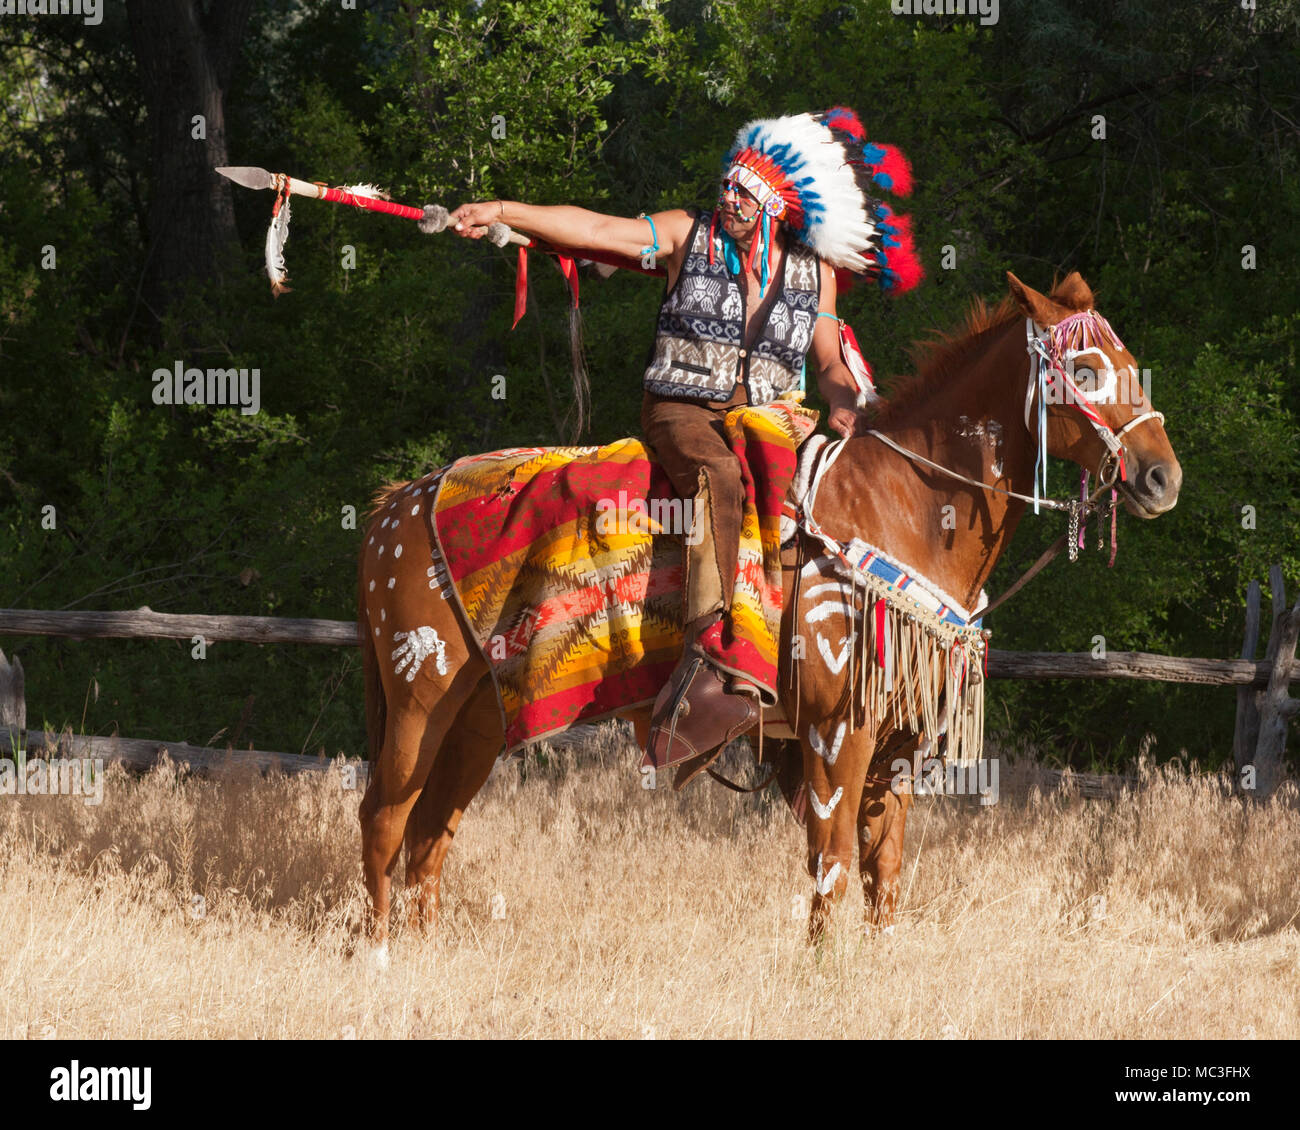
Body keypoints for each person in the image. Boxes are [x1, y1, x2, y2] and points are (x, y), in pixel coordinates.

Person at [448, 107, 919, 774]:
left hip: (774, 417)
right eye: (725, 185)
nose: (725, 196)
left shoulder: (817, 275)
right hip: (683, 410)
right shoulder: (682, 235)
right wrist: (503, 208)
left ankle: (820, 658)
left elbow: (833, 364)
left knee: (834, 494)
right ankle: (711, 653)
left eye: (741, 191)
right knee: (721, 478)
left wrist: (846, 405)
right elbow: (593, 228)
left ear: (773, 206)